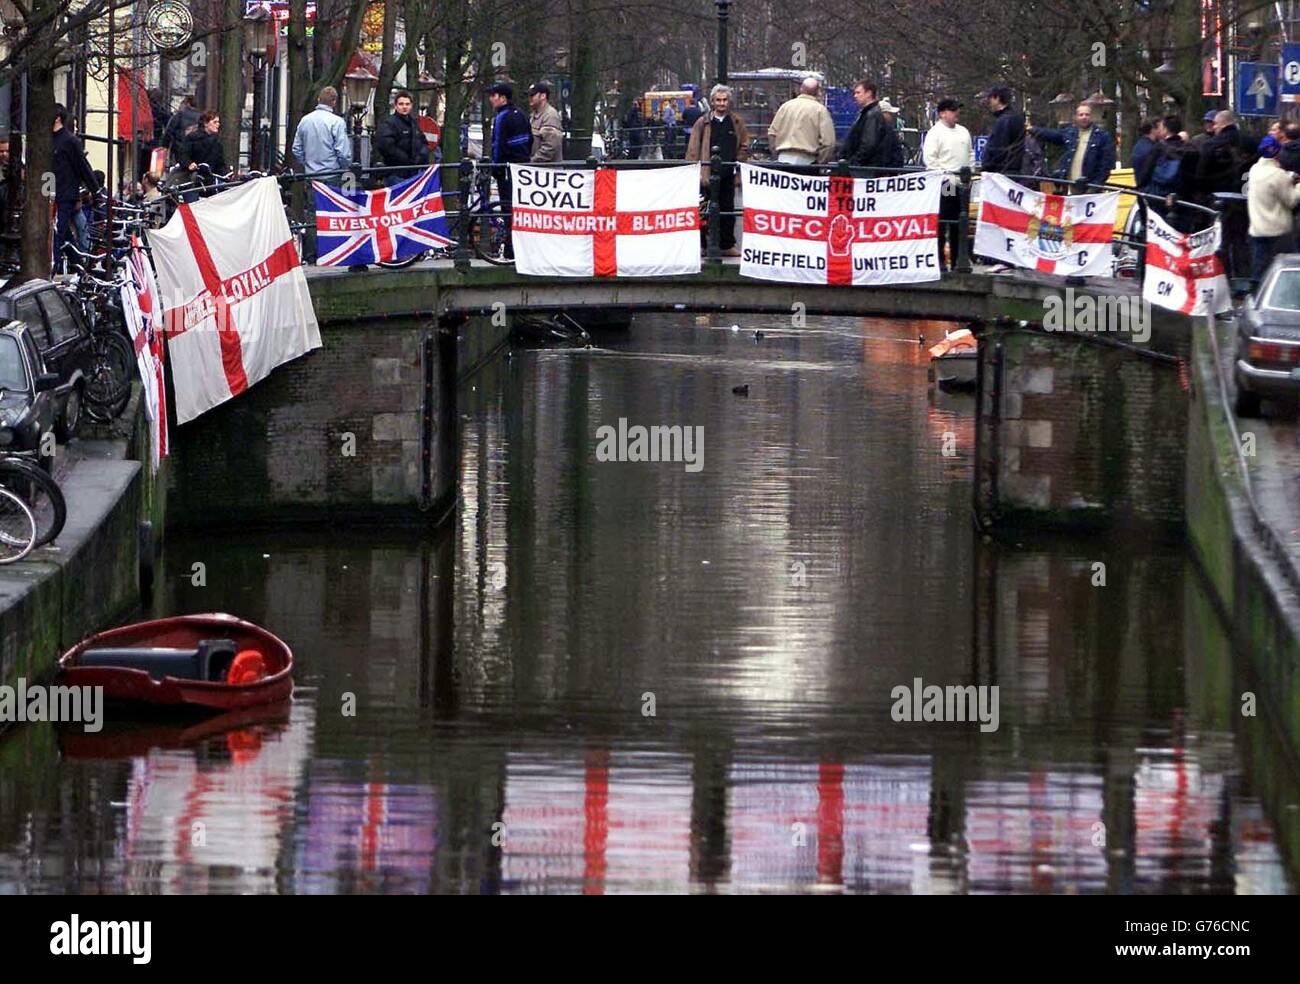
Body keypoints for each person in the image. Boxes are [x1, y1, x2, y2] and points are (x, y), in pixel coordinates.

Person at [685, 83, 751, 256]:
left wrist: (739, 160)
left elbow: (744, 144)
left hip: (728, 173)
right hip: (707, 173)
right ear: (713, 102)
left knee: (728, 209)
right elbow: (693, 147)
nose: (722, 104)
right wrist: (695, 170)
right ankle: (703, 245)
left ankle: (727, 244)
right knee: (704, 210)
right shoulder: (703, 122)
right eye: (718, 100)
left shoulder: (737, 122)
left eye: (725, 100)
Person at [923, 98, 974, 270]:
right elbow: (930, 159)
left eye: (957, 110)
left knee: (959, 223)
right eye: (952, 110)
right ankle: (940, 262)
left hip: (963, 183)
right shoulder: (935, 133)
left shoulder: (964, 132)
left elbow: (970, 154)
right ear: (942, 113)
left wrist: (969, 173)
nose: (956, 113)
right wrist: (945, 178)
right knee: (943, 221)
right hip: (945, 183)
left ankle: (958, 260)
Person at [1246, 135, 1300, 283]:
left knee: (1260, 268)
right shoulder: (1278, 175)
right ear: (1278, 153)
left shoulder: (1255, 169)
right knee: (1289, 267)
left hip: (1257, 229)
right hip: (1278, 231)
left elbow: (1271, 185)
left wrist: (1289, 178)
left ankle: (1256, 292)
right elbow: (1292, 200)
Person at [487, 81, 531, 257]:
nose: (491, 99)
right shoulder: (521, 114)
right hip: (522, 166)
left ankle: (510, 248)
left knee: (507, 207)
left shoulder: (502, 117)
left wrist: (496, 166)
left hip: (506, 169)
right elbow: (529, 139)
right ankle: (519, 247)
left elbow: (498, 144)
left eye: (494, 96)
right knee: (519, 207)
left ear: (502, 98)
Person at [51, 104, 99, 266]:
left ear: (57, 117)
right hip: (52, 193)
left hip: (64, 194)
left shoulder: (69, 141)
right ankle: (79, 265)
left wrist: (95, 190)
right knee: (62, 233)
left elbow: (82, 166)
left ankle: (55, 266)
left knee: (57, 233)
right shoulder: (48, 140)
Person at [1028, 102, 1116, 187]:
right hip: (1068, 184)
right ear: (1076, 117)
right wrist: (1033, 129)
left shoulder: (1102, 136)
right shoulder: (1070, 133)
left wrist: (1095, 185)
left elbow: (1106, 164)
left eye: (1087, 114)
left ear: (1091, 116)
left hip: (1089, 186)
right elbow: (1051, 134)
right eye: (1081, 115)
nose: (1084, 117)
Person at [768, 76, 836, 165]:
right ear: (818, 92)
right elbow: (828, 142)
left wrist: (776, 154)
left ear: (801, 89)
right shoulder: (820, 110)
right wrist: (820, 161)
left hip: (783, 157)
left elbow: (772, 133)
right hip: (808, 160)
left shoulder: (785, 107)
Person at [291, 86, 351, 174]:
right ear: (334, 102)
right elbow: (343, 154)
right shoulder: (337, 122)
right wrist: (344, 168)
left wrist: (307, 164)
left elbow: (296, 148)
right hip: (331, 174)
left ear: (318, 100)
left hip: (310, 175)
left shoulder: (305, 120)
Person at [376, 89, 430, 184]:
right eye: (401, 104)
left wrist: (420, 157)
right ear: (396, 106)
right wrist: (407, 160)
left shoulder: (414, 123)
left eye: (407, 104)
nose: (404, 107)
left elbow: (423, 142)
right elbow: (386, 146)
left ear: (411, 106)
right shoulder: (389, 123)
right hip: (396, 173)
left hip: (415, 172)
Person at [838, 80, 890, 168]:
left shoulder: (872, 114)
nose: (855, 96)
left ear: (869, 93)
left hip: (864, 168)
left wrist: (854, 162)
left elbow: (869, 143)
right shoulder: (867, 113)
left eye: (858, 93)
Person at [980, 85, 1026, 177]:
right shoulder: (1016, 118)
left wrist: (987, 167)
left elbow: (999, 148)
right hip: (1014, 171)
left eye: (991, 98)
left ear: (997, 98)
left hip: (1002, 174)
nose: (989, 102)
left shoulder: (1004, 120)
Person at [181, 111, 226, 197]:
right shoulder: (193, 138)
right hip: (193, 180)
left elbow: (220, 163)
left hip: (211, 180)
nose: (218, 124)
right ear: (205, 123)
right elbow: (183, 154)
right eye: (215, 122)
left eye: (218, 122)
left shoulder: (217, 143)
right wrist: (189, 164)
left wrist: (225, 174)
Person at [528, 81, 563, 164]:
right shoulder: (534, 116)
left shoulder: (550, 115)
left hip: (547, 171)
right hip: (537, 172)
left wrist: (531, 162)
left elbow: (551, 146)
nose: (529, 98)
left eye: (532, 95)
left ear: (543, 96)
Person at [876, 99, 906, 169]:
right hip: (887, 171)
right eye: (889, 113)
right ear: (883, 113)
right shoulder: (887, 131)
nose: (892, 115)